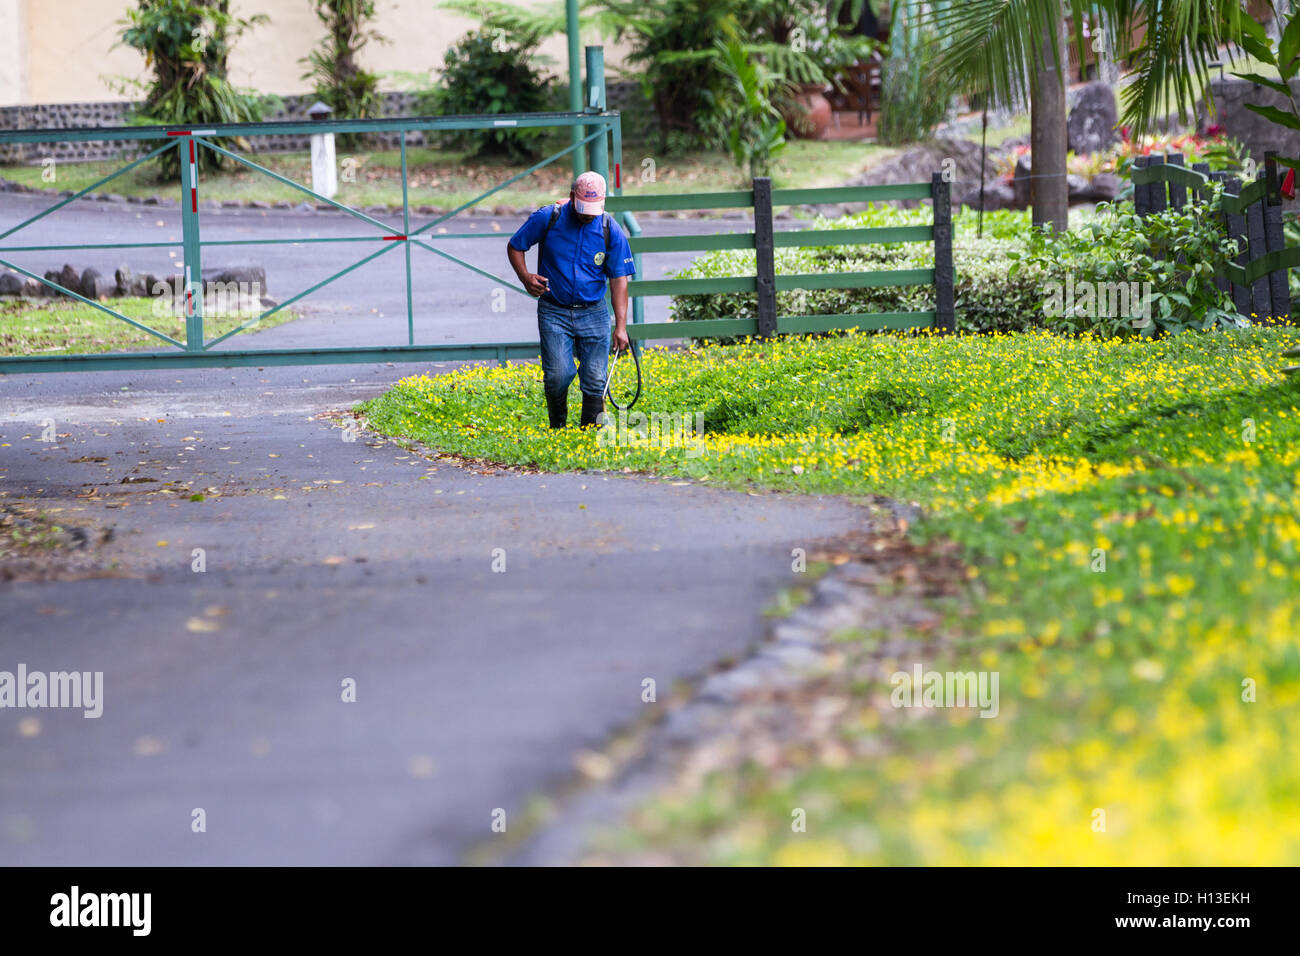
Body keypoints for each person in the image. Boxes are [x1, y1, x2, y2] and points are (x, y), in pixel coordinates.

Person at [506, 171, 635, 429]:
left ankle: (590, 431)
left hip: (594, 312)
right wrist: (525, 277)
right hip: (554, 311)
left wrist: (621, 326)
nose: (588, 215)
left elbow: (619, 279)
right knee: (558, 375)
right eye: (583, 208)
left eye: (593, 210)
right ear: (571, 197)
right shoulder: (548, 217)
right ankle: (558, 427)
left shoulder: (610, 228)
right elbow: (515, 245)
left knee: (595, 377)